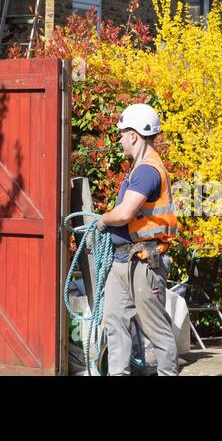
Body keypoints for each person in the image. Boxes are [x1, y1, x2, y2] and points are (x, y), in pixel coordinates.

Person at [94, 102, 179, 376]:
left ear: (134, 135)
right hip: (123, 261)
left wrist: (103, 220)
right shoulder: (139, 168)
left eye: (122, 134)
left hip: (143, 262)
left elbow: (125, 213)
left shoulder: (147, 171)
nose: (119, 140)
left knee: (156, 328)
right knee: (114, 322)